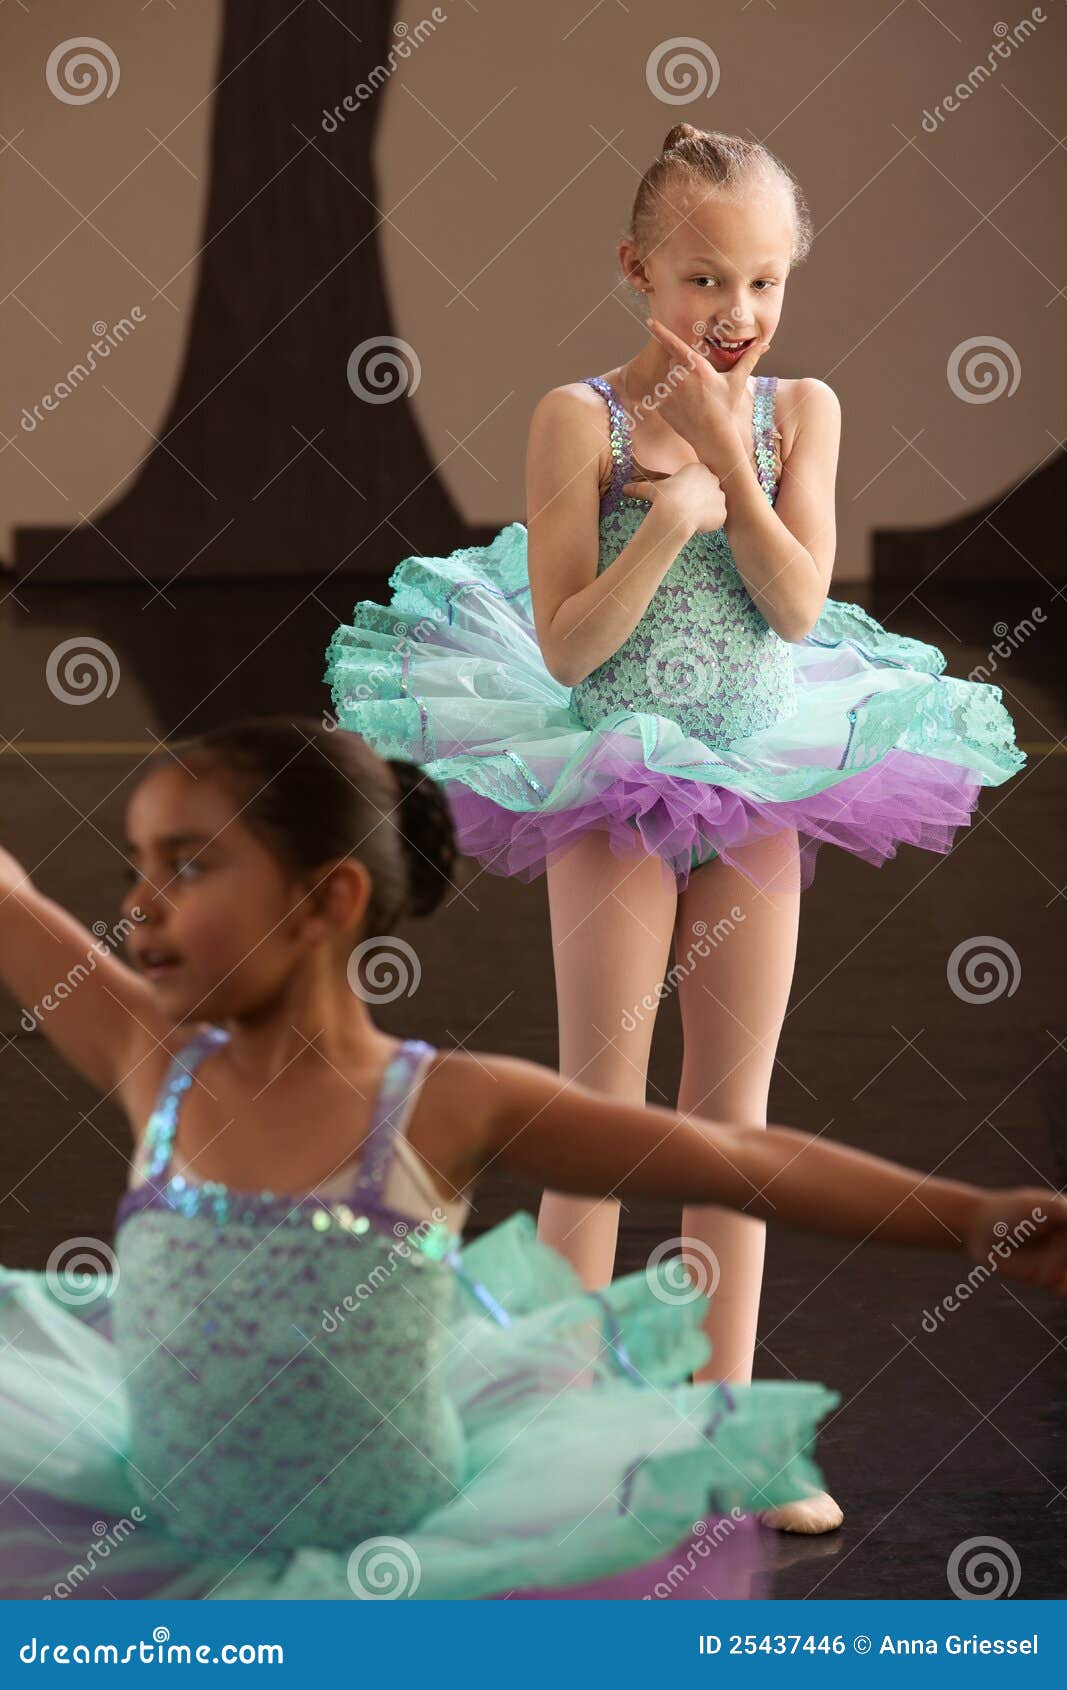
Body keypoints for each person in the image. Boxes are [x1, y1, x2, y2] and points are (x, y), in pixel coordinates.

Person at [323, 124, 1026, 1533]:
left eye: (763, 281)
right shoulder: (574, 420)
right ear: (636, 269)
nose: (735, 312)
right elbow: (571, 646)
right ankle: (554, 1428)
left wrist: (729, 470)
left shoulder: (800, 409)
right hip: (610, 779)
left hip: (759, 774)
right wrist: (662, 521)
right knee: (603, 1107)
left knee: (730, 1118)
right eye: (703, 279)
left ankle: (727, 1426)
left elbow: (793, 602)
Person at [0, 717, 1058, 1602]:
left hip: (400, 1572)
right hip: (174, 1543)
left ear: (328, 901)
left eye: (187, 866)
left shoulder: (447, 1105)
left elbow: (737, 1159)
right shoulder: (152, 1061)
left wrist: (966, 1217)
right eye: (135, 866)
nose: (137, 905)